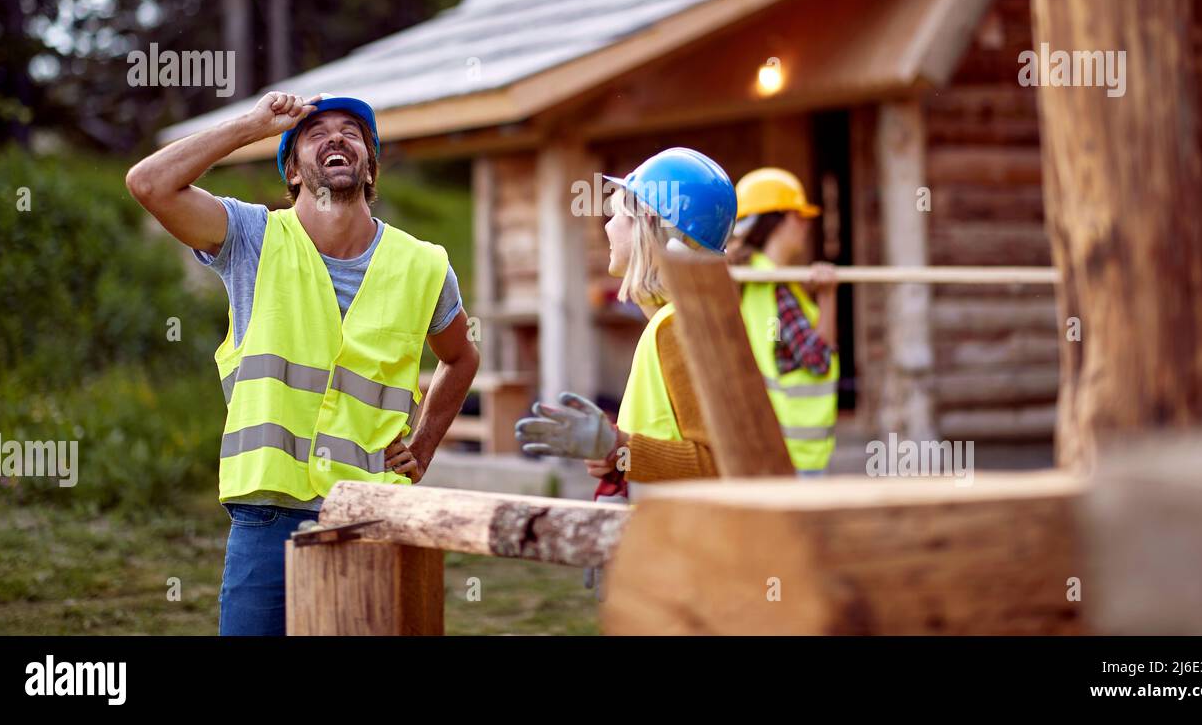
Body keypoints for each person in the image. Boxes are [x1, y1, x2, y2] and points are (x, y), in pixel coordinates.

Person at [125, 90, 479, 635]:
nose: (335, 137)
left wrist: (425, 446)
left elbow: (460, 358)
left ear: (370, 166)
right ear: (292, 171)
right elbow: (148, 184)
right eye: (316, 132)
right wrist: (252, 126)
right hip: (267, 517)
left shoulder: (425, 266)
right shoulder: (251, 237)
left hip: (371, 513)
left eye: (351, 131)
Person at [513, 147, 738, 499]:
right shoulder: (685, 319)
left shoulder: (676, 328)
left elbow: (716, 465)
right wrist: (619, 455)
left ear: (646, 224)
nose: (606, 225)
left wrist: (618, 447)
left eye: (617, 213)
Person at [729, 167, 840, 474]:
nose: (806, 226)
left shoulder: (753, 279)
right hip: (794, 452)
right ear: (776, 220)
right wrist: (829, 296)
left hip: (768, 444)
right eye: (799, 216)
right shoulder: (773, 287)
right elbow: (817, 359)